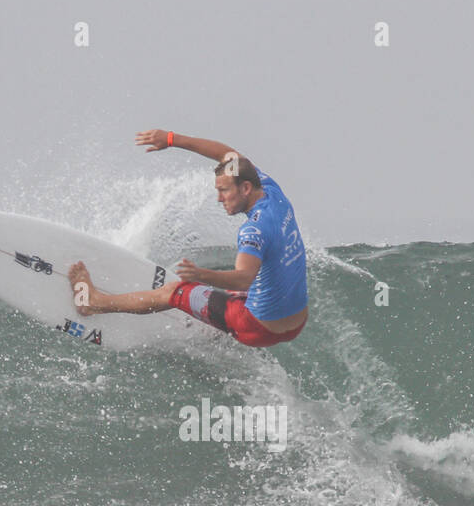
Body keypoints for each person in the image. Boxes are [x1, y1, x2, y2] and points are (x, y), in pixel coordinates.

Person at [67, 130, 308, 347]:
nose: (219, 198)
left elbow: (244, 279)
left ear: (245, 188)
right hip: (296, 323)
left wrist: (201, 275)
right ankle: (214, 327)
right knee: (232, 290)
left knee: (174, 291)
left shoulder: (253, 230)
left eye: (224, 191)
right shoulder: (271, 191)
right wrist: (172, 140)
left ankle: (94, 302)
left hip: (255, 328)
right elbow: (227, 154)